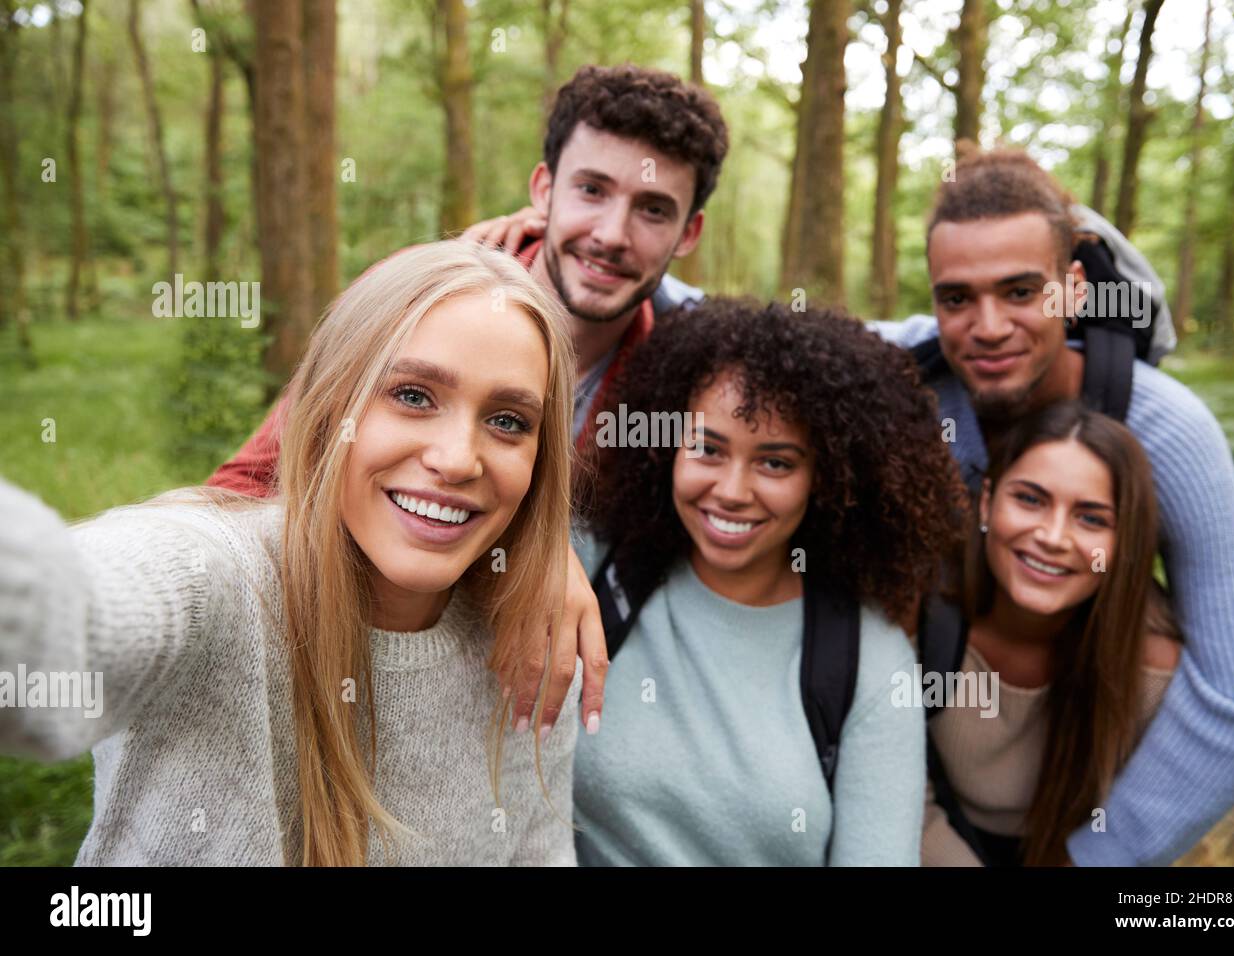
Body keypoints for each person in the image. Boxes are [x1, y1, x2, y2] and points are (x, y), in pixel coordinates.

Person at [0, 242, 581, 865]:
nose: (457, 458)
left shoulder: (530, 646)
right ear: (330, 408)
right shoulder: (216, 577)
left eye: (508, 421)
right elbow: (65, 626)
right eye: (412, 395)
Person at [208, 64, 731, 740]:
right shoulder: (415, 302)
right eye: (591, 190)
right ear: (543, 191)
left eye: (653, 210)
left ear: (689, 234)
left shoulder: (676, 378)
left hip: (505, 738)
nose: (611, 233)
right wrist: (542, 549)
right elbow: (244, 489)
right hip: (329, 691)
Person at [879, 146, 1234, 866]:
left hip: (1088, 769)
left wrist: (1095, 858)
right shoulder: (911, 371)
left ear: (1074, 291)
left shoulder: (1168, 429)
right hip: (932, 772)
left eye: (1020, 292)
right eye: (957, 298)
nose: (987, 326)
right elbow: (732, 326)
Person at [570, 298, 968, 865]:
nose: (732, 490)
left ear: (826, 476)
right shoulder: (593, 567)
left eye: (775, 462)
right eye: (707, 449)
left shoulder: (868, 663)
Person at [920, 400, 1182, 866]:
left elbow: (1140, 824)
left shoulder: (1153, 665)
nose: (1053, 536)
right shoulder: (920, 612)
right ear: (987, 502)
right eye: (1030, 499)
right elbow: (900, 802)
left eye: (1091, 518)